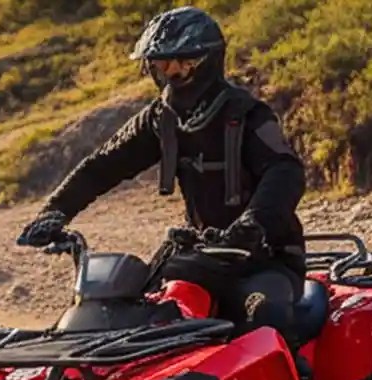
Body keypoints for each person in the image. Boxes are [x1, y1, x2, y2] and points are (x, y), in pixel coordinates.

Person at [16, 6, 308, 352]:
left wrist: (254, 224)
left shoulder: (247, 115)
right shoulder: (161, 118)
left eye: (175, 62)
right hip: (203, 258)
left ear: (202, 62)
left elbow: (286, 171)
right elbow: (103, 165)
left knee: (264, 316)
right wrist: (55, 211)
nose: (166, 72)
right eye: (159, 64)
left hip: (265, 259)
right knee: (135, 320)